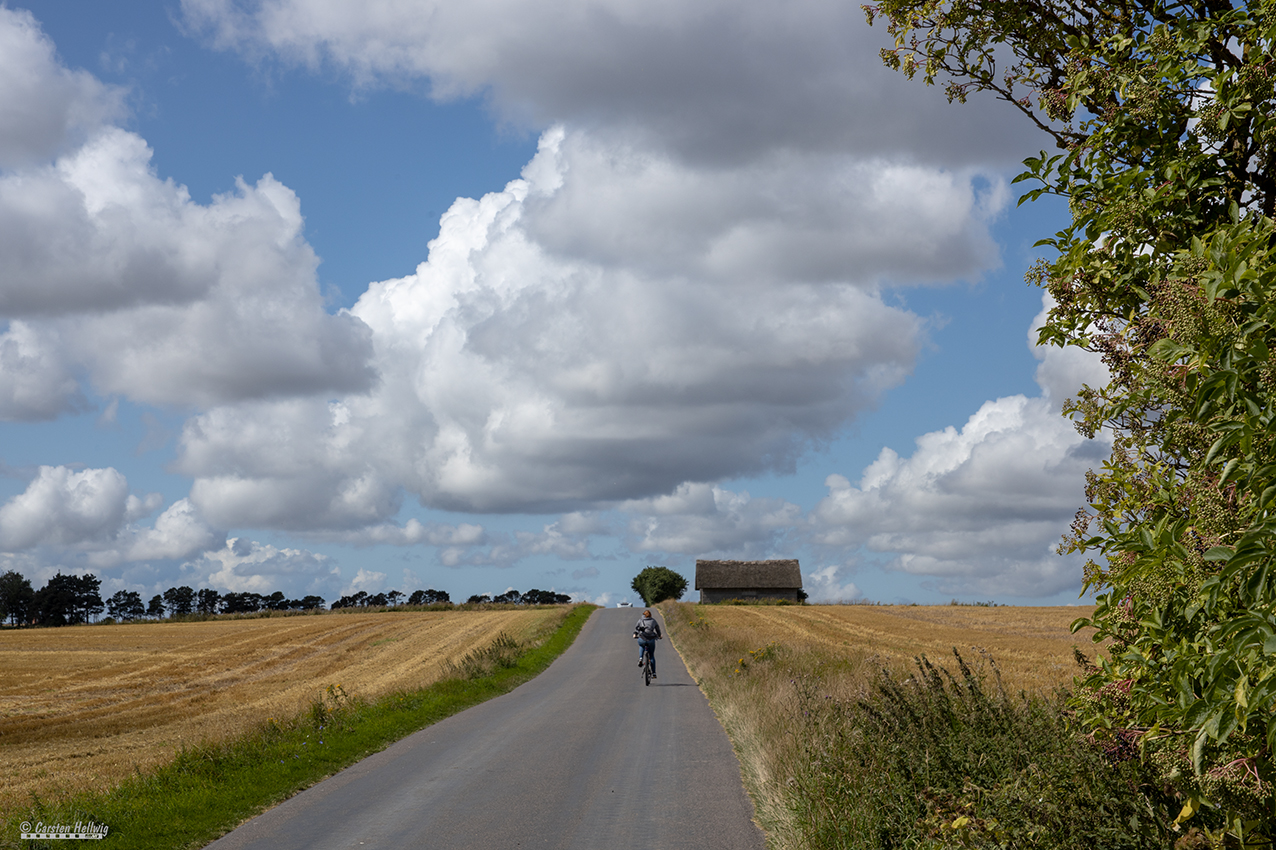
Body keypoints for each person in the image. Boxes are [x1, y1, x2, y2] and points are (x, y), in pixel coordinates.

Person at [633, 609, 662, 677]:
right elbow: (657, 629)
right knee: (651, 656)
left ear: (643, 615)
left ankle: (640, 658)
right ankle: (654, 673)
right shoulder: (653, 621)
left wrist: (635, 634)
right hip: (651, 640)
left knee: (641, 646)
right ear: (650, 615)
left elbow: (636, 628)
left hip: (642, 638)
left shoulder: (640, 620)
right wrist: (659, 635)